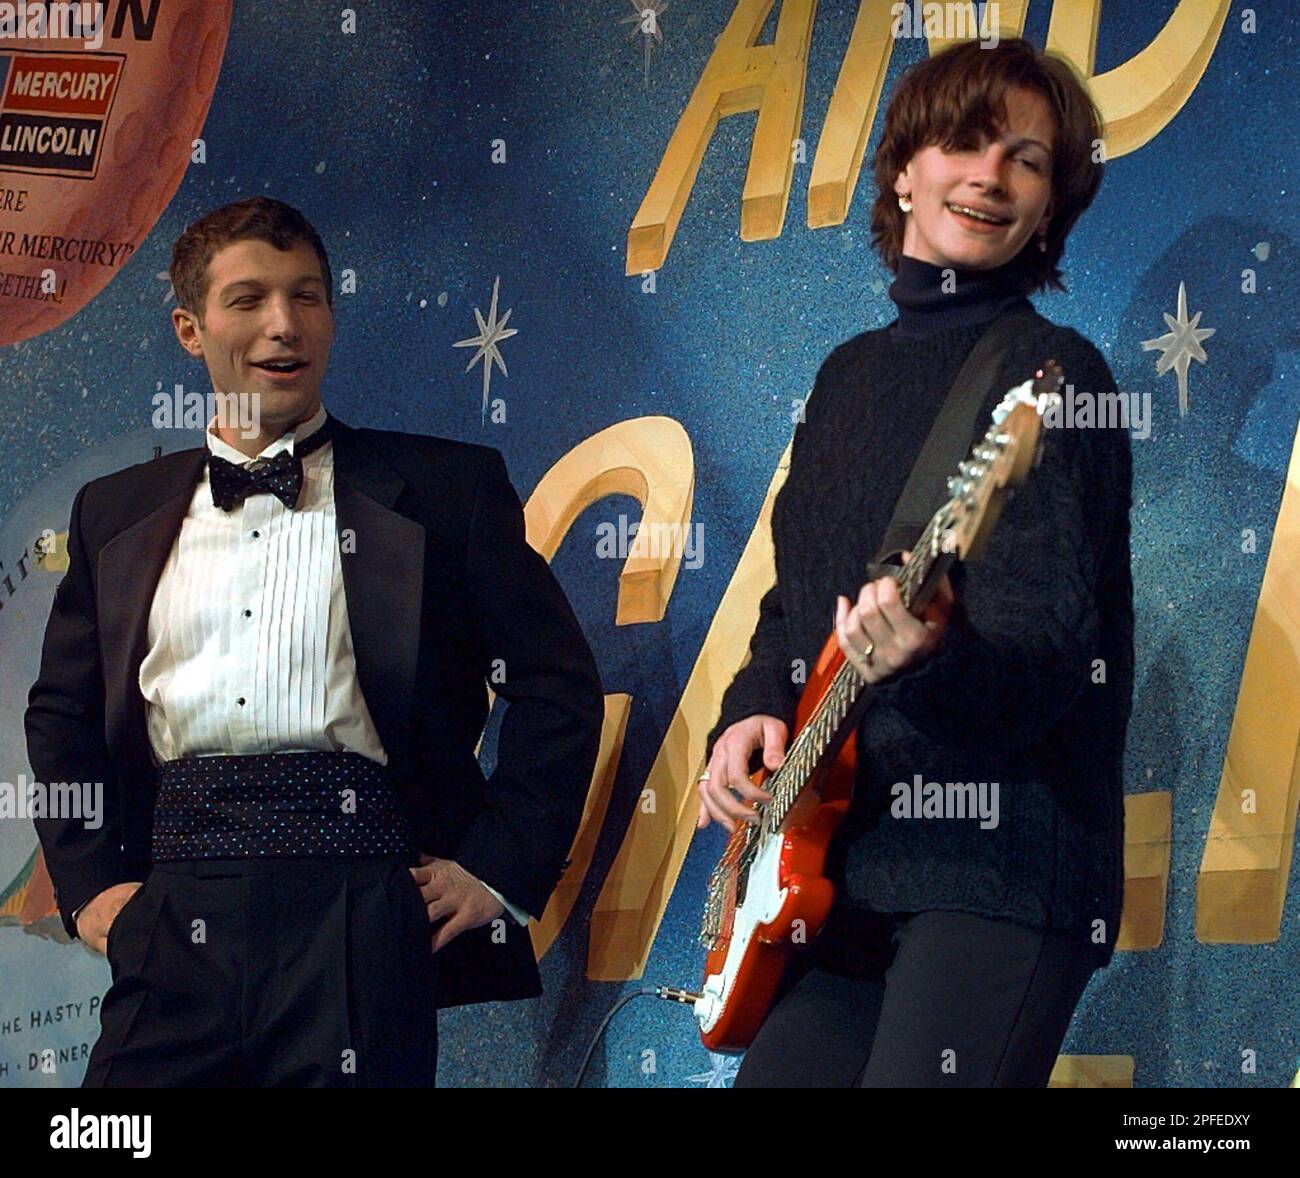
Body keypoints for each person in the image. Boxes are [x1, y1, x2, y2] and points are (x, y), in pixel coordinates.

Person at [26, 196, 605, 1087]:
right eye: (249, 299)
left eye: (307, 297)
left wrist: (496, 869)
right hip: (172, 912)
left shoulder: (447, 491)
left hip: (361, 911)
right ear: (190, 328)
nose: (283, 325)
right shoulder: (114, 514)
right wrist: (92, 886)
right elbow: (62, 715)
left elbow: (556, 686)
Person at [697, 37, 1134, 1087]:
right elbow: (794, 598)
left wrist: (930, 658)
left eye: (1025, 159)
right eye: (963, 141)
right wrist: (753, 705)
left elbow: (1055, 660)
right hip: (836, 878)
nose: (988, 175)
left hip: (998, 870)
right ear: (902, 169)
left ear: (1050, 204)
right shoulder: (846, 375)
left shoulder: (1054, 377)